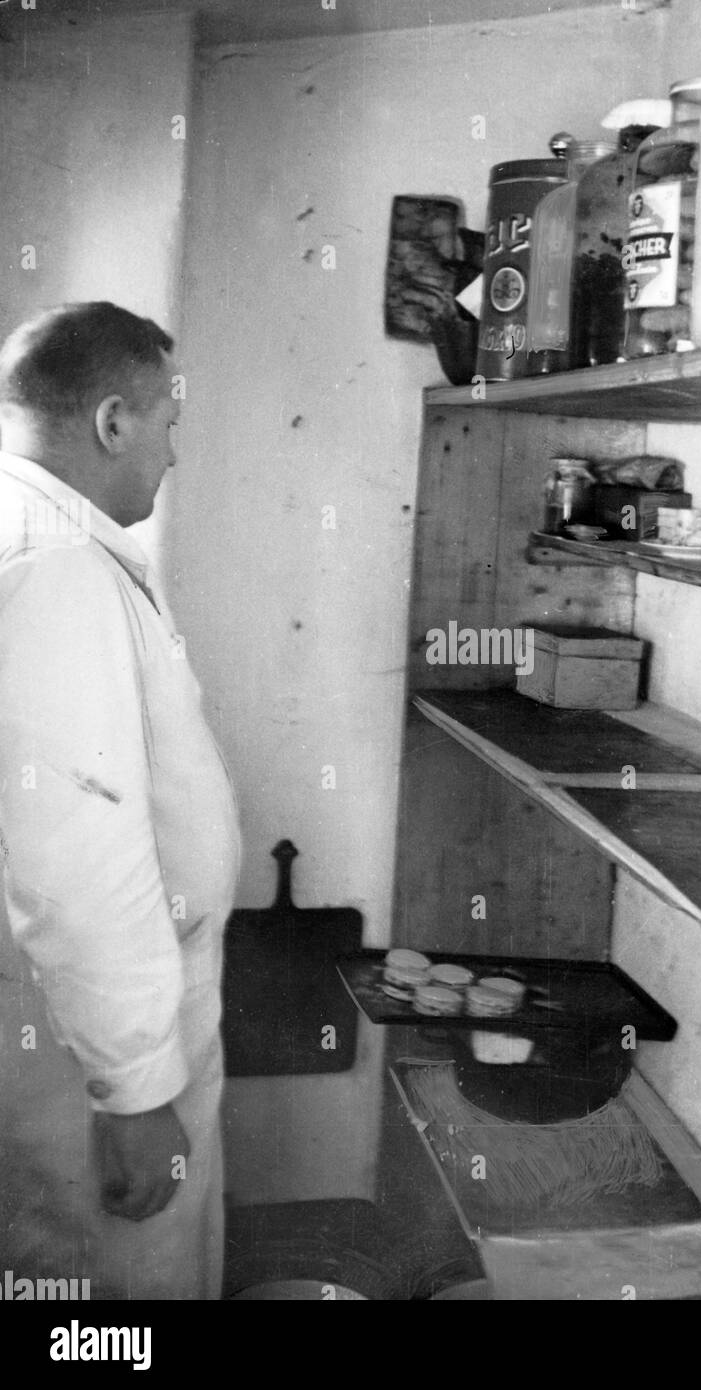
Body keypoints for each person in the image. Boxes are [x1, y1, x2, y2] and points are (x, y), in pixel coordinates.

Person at [0, 302, 241, 1299]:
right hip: (89, 1042)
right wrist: (136, 1091)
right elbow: (74, 853)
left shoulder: (38, 538)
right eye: (169, 423)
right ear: (111, 422)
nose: (175, 453)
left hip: (73, 1017)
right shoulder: (53, 566)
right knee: (116, 1287)